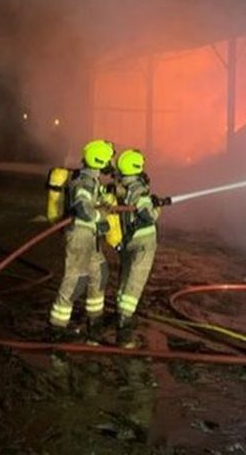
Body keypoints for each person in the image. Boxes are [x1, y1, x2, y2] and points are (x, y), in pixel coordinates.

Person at [48, 139, 116, 342]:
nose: (110, 164)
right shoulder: (85, 181)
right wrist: (101, 216)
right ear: (99, 160)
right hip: (80, 236)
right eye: (108, 160)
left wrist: (106, 201)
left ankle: (95, 321)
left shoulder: (92, 179)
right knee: (76, 281)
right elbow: (83, 208)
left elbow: (93, 203)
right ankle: (57, 327)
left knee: (100, 273)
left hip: (90, 237)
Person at [113, 149, 160, 348]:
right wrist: (157, 207)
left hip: (127, 241)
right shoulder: (139, 190)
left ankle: (120, 311)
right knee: (135, 281)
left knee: (125, 277)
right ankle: (125, 324)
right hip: (144, 242)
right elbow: (149, 216)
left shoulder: (121, 186)